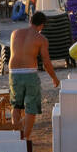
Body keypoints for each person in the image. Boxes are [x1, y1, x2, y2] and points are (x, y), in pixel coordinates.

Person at [9, 11, 61, 139]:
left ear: (30, 21)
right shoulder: (41, 39)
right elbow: (46, 62)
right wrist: (54, 78)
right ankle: (25, 139)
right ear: (42, 25)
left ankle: (16, 135)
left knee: (16, 105)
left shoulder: (14, 33)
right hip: (29, 73)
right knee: (31, 108)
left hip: (13, 72)